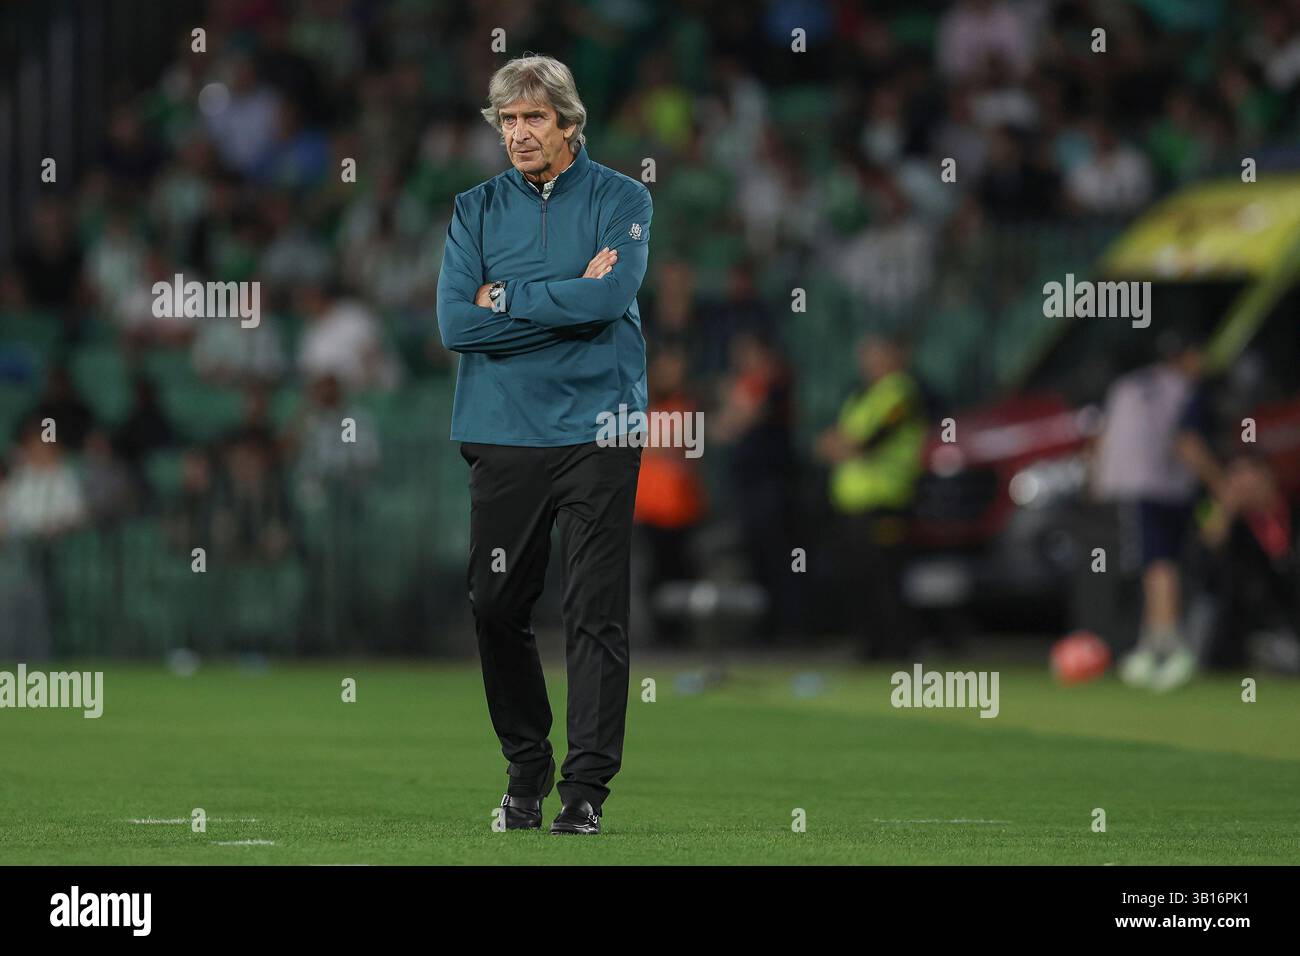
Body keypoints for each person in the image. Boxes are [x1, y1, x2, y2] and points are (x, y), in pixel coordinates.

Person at [436, 55, 652, 836]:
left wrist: (508, 297)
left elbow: (612, 297)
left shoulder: (623, 197)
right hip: (503, 431)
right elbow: (456, 324)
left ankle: (585, 791)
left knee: (595, 611)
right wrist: (564, 298)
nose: (519, 133)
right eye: (508, 120)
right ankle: (525, 768)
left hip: (601, 428)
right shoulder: (473, 209)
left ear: (568, 122)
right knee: (495, 605)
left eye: (534, 118)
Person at [1092, 332, 1223, 691]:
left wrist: (1097, 481)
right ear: (1185, 357)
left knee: (1157, 565)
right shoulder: (1186, 390)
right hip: (1170, 488)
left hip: (1138, 486)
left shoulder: (1127, 386)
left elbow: (1103, 437)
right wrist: (1220, 486)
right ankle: (1156, 647)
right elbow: (1189, 444)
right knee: (1163, 564)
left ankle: (1165, 647)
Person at [815, 332, 927, 659]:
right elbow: (832, 443)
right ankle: (871, 647)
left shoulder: (900, 393)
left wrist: (845, 446)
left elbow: (868, 442)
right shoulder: (861, 396)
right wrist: (843, 446)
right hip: (854, 505)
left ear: (893, 357)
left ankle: (899, 648)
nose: (868, 362)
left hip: (886, 502)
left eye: (876, 355)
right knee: (860, 578)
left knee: (886, 579)